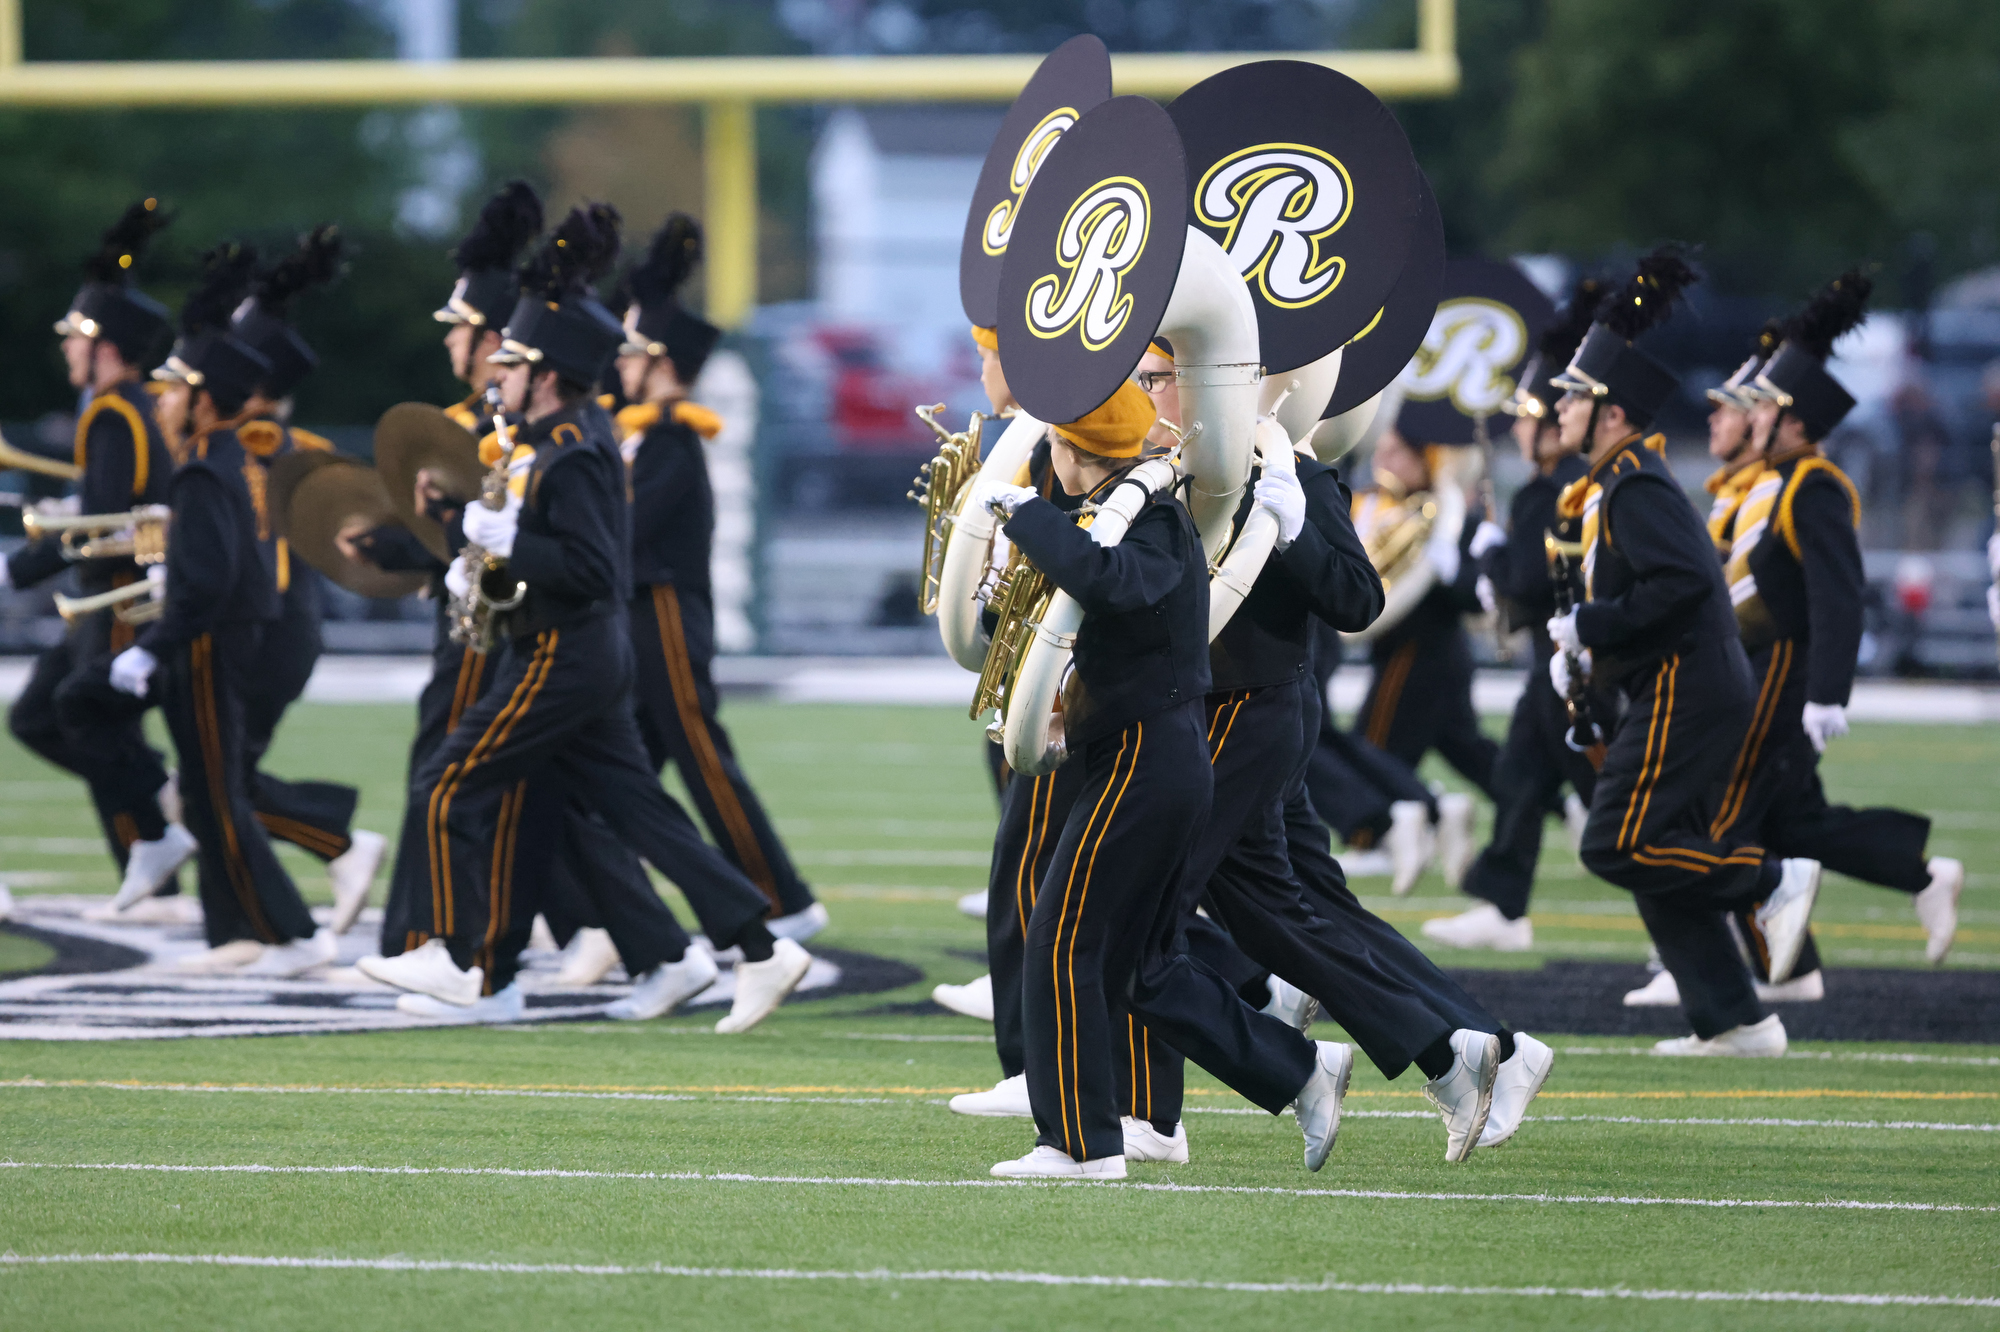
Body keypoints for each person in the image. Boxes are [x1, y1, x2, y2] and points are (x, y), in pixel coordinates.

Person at [357, 205, 811, 1033]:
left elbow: (594, 570)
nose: (499, 374)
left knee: (447, 780)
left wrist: (505, 539)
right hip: (578, 654)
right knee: (643, 814)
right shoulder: (560, 435)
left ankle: (458, 957)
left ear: (548, 372)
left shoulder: (577, 444)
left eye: (513, 363)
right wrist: (476, 524)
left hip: (565, 653)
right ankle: (760, 944)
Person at [1545, 247, 1818, 1056]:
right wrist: (1583, 651)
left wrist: (1587, 629)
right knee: (1649, 856)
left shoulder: (1635, 483)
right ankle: (1737, 1020)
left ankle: (1770, 878)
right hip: (1678, 685)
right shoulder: (1618, 482)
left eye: (1575, 397)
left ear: (1615, 415)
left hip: (1687, 688)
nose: (1559, 409)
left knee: (1614, 843)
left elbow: (1683, 587)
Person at [1679, 272, 1961, 996]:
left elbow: (1838, 600)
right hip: (1754, 666)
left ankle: (1743, 969)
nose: (1753, 418)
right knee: (1794, 821)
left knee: (1726, 811)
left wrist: (1828, 693)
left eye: (1768, 408)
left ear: (1796, 422)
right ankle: (1903, 887)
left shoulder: (1813, 485)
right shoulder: (1769, 484)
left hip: (1784, 674)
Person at [978, 381, 1217, 1180]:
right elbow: (1064, 610)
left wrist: (1027, 517)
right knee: (1102, 947)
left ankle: (1081, 1144)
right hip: (1132, 751)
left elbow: (1114, 583)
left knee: (1062, 939)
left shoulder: (1147, 516)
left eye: (1053, 445)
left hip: (1149, 755)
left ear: (1072, 452)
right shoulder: (1104, 516)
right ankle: (1099, 1131)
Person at [113, 243, 332, 975]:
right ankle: (246, 930)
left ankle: (291, 933)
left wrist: (156, 643)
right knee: (209, 795)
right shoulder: (218, 459)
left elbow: (212, 576)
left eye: (177, 388)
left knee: (216, 793)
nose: (163, 398)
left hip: (216, 642)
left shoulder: (214, 462)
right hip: (227, 636)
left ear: (206, 398)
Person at [614, 212, 824, 941]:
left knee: (702, 759)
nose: (619, 363)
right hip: (640, 622)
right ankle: (610, 909)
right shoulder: (641, 436)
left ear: (663, 363)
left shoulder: (670, 440)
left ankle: (783, 899)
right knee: (626, 772)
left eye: (632, 352)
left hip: (666, 618)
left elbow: (629, 534)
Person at [5, 200, 192, 920]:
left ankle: (161, 813)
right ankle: (154, 849)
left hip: (115, 598)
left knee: (82, 717)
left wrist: (14, 569)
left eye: (74, 336)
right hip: (104, 591)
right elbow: (118, 512)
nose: (64, 348)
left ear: (104, 345)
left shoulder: (115, 412)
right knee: (40, 718)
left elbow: (106, 526)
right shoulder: (126, 409)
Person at [1425, 279, 1602, 950]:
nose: (1520, 426)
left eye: (1531, 414)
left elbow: (1531, 583)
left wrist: (1492, 560)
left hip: (1580, 672)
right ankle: (1502, 906)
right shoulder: (1551, 485)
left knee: (1623, 815)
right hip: (1553, 670)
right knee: (1521, 774)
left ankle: (1737, 900)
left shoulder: (1549, 491)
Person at [223, 225, 388, 932]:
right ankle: (328, 848)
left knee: (210, 782)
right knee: (209, 780)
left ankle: (336, 848)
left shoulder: (275, 452)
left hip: (271, 631)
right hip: (277, 629)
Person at [1334, 418, 1492, 891]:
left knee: (1372, 742)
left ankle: (1373, 837)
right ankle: (1549, 802)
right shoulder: (1380, 506)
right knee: (1469, 749)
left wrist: (1442, 564)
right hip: (1402, 650)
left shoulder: (1451, 516)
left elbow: (1474, 596)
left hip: (1423, 650)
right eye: (1383, 451)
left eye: (1398, 453)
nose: (1385, 461)